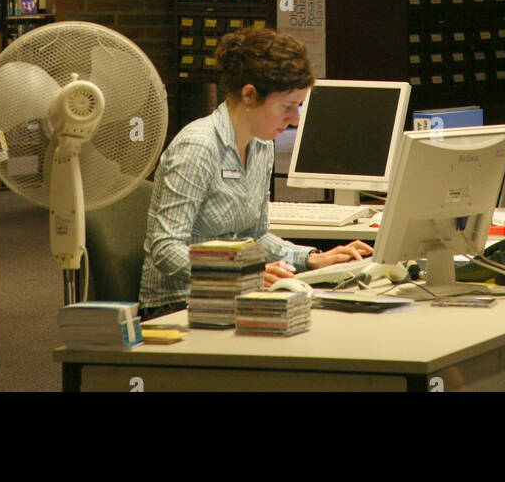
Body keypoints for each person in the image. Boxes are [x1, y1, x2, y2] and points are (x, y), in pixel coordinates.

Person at [140, 28, 370, 319]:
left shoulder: (262, 146)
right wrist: (240, 275)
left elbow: (256, 237)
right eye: (287, 107)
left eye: (298, 107)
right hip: (176, 306)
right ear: (249, 95)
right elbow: (166, 248)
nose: (295, 119)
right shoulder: (197, 146)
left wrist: (310, 258)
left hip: (234, 297)